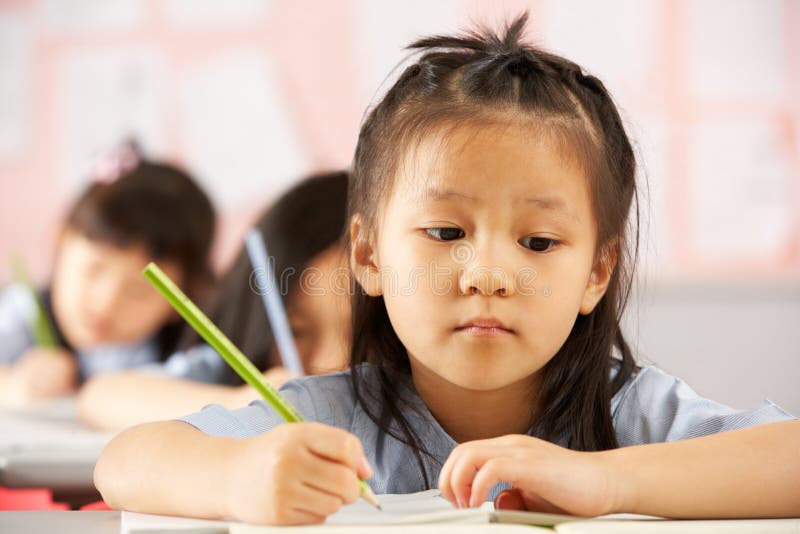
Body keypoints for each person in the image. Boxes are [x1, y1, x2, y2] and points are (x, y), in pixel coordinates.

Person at [93, 15, 799, 525]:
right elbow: (123, 461)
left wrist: (605, 480)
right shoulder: (329, 418)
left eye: (539, 242)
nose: (486, 273)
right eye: (445, 231)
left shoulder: (630, 416)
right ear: (368, 255)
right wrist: (240, 477)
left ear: (597, 271)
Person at [77, 171, 352, 430]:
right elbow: (101, 397)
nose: (330, 361)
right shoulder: (234, 375)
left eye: (359, 331)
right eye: (296, 331)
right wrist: (241, 404)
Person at [0, 145, 215, 407]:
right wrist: (13, 386)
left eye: (138, 290)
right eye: (93, 270)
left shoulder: (188, 349)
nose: (106, 302)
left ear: (184, 297)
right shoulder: (23, 312)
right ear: (60, 242)